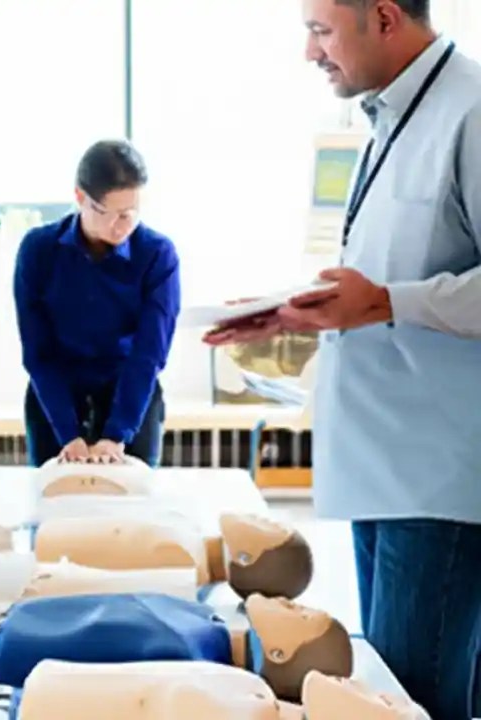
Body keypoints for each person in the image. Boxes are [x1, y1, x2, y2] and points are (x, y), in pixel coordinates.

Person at [205, 2, 481, 717]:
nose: (309, 53)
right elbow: (388, 276)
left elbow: (393, 293)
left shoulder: (472, 112)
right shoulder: (388, 118)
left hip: (440, 484)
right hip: (385, 466)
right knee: (384, 688)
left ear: (385, 18)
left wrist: (388, 301)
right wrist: (288, 314)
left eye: (321, 31)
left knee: (410, 702)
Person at [14, 140, 180, 468]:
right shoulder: (39, 250)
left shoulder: (157, 254)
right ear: (81, 198)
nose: (124, 225)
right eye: (113, 214)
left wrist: (116, 434)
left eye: (131, 213)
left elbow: (149, 353)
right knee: (54, 502)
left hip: (129, 389)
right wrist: (67, 434)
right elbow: (38, 351)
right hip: (56, 390)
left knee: (130, 503)